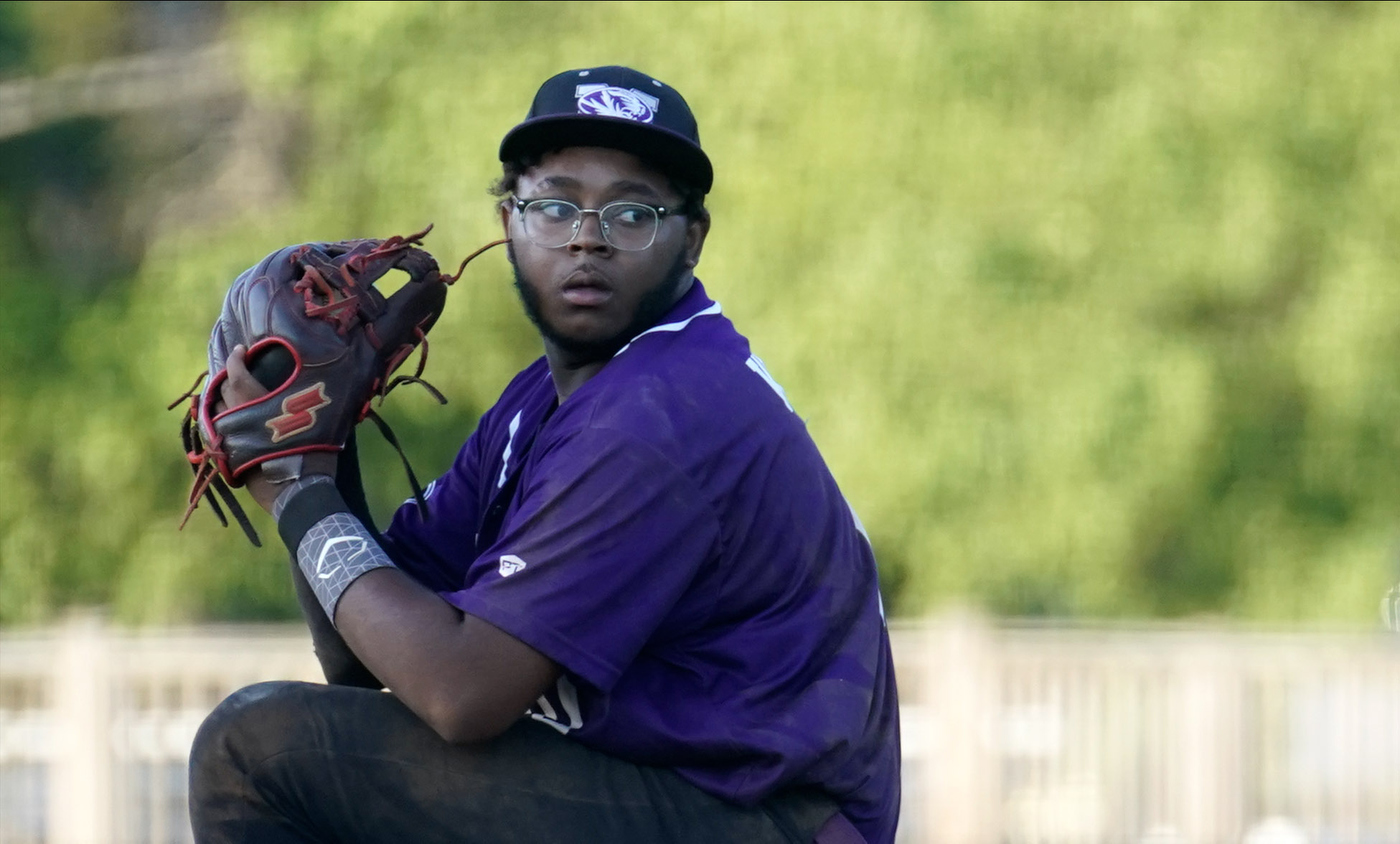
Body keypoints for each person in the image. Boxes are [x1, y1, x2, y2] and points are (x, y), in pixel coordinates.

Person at [188, 65, 901, 844]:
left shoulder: (659, 413)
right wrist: (324, 447)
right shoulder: (549, 401)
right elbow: (375, 662)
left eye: (631, 212)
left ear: (690, 239)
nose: (587, 235)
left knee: (256, 750)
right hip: (691, 800)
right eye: (556, 205)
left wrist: (298, 492)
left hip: (765, 819)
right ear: (509, 221)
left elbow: (461, 694)